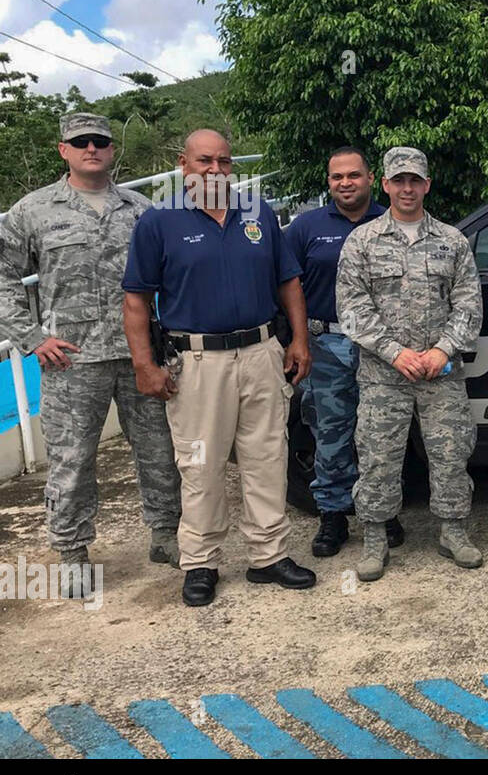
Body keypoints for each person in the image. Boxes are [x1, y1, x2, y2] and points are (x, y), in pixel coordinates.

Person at [122, 129, 316, 607]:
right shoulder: (158, 221)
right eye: (204, 160)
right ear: (183, 164)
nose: (215, 170)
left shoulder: (258, 212)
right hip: (197, 361)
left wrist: (299, 340)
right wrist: (144, 364)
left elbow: (289, 281)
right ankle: (201, 562)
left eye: (224, 161)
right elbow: (136, 300)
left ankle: (268, 555)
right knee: (202, 464)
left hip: (262, 352)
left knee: (267, 457)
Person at [0, 112, 180, 595]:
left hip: (141, 354)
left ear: (112, 149)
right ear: (64, 150)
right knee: (72, 459)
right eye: (80, 142)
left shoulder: (141, 210)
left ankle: (166, 533)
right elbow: (3, 275)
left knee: (160, 450)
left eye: (100, 140)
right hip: (71, 360)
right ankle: (73, 551)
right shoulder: (33, 211)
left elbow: (174, 274)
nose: (91, 148)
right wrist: (31, 337)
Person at [335, 147, 483, 582]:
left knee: (451, 453)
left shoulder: (452, 241)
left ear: (426, 185)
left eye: (414, 180)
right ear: (384, 184)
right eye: (398, 180)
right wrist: (394, 352)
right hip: (384, 374)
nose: (406, 188)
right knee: (378, 457)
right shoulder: (362, 241)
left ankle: (453, 532)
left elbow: (469, 304)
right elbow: (352, 308)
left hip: (441, 373)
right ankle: (375, 540)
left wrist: (442, 350)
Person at [284, 147, 404, 556]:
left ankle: (382, 512)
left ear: (371, 179)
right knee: (331, 433)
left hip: (381, 346)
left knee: (381, 433)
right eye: (337, 177)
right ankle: (333, 515)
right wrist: (295, 339)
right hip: (328, 344)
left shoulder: (392, 222)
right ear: (329, 182)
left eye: (353, 175)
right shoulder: (306, 228)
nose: (345, 183)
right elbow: (287, 285)